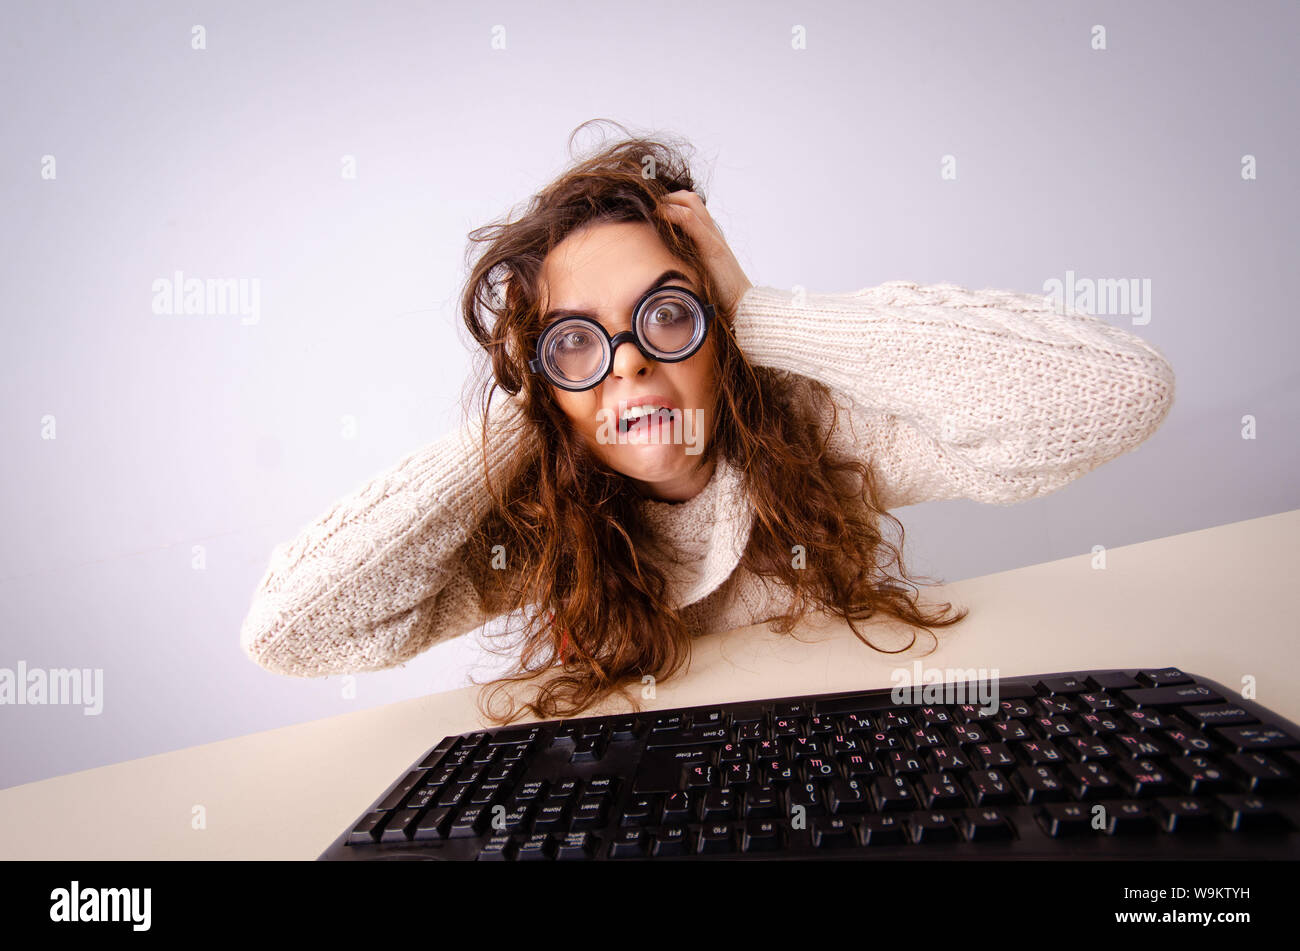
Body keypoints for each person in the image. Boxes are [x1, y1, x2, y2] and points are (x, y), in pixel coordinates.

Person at [238, 120, 1176, 724]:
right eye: (578, 343)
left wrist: (766, 314)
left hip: (842, 755)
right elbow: (296, 630)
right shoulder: (543, 519)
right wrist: (538, 412)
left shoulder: (819, 430)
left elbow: (1115, 393)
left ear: (714, 328)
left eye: (668, 315)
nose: (632, 361)